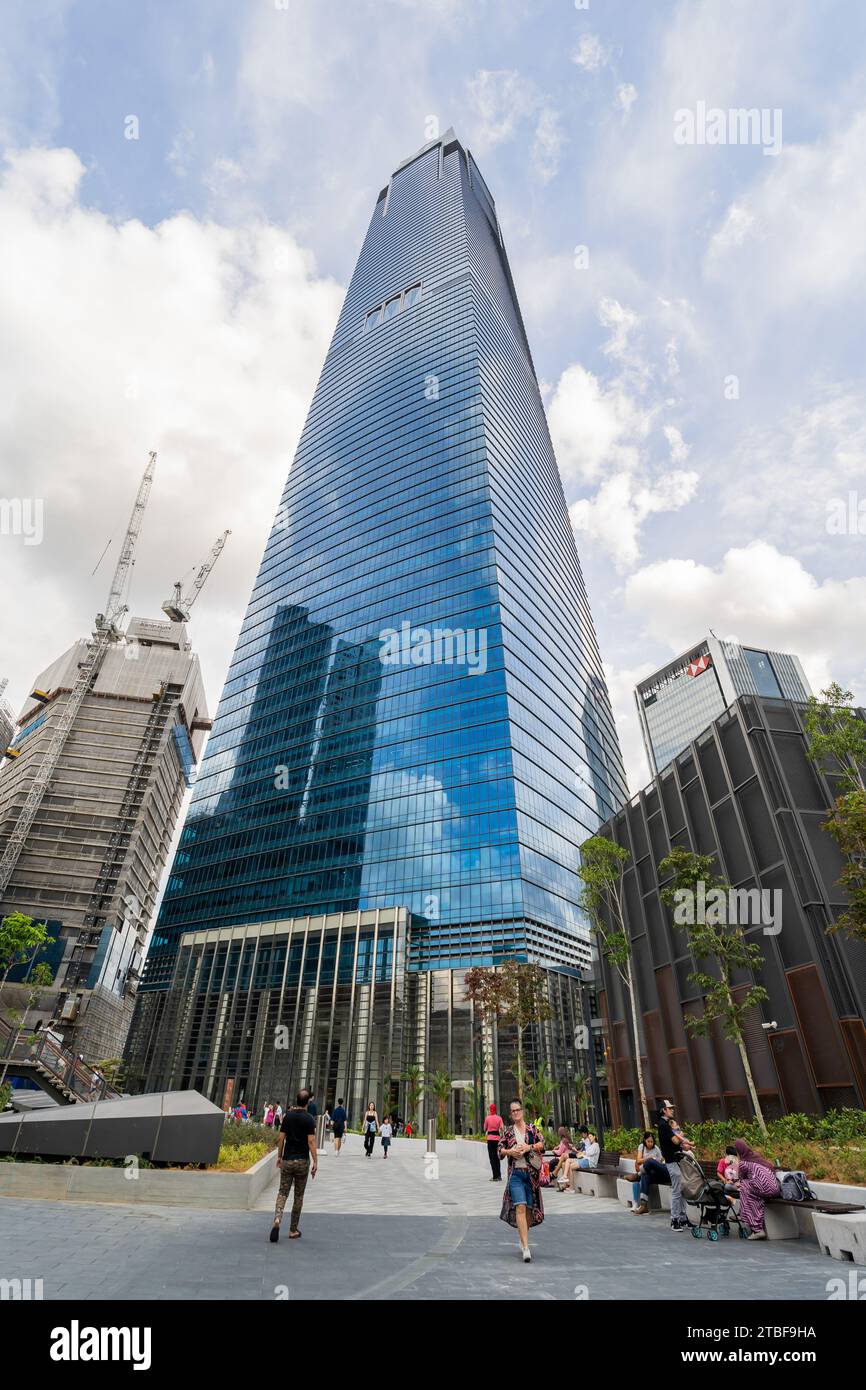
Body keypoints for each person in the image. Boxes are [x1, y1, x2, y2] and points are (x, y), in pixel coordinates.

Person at [633, 1099, 693, 1230]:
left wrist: (685, 1145)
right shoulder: (663, 1125)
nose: (672, 1110)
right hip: (672, 1162)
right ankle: (675, 1220)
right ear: (664, 1110)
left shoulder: (666, 1124)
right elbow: (675, 1141)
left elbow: (675, 1144)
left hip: (677, 1161)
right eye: (670, 1108)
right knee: (677, 1191)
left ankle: (682, 1218)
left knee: (681, 1190)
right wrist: (680, 1133)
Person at [498, 1098, 545, 1262]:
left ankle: (523, 1237)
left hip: (531, 1176)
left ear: (522, 1111)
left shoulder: (532, 1129)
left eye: (518, 1110)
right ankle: (526, 1247)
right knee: (520, 1207)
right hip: (516, 1175)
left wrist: (528, 1147)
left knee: (529, 1211)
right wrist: (510, 1151)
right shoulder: (508, 1132)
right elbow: (500, 1150)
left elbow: (542, 1143)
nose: (516, 1113)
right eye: (513, 1111)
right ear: (511, 1114)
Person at [269, 1088, 317, 1243]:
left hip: (288, 1160)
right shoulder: (309, 1119)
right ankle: (293, 1229)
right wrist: (316, 1161)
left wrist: (279, 1157)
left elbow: (281, 1138)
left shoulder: (288, 1116)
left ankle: (277, 1219)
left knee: (283, 1192)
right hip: (302, 1161)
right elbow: (311, 1142)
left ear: (297, 1100)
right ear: (308, 1102)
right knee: (298, 1196)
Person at [733, 1139, 781, 1239]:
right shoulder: (757, 1158)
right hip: (776, 1189)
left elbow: (741, 1178)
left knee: (744, 1186)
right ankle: (743, 1213)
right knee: (748, 1186)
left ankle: (757, 1229)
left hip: (765, 1190)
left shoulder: (744, 1163)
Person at [631, 1131, 658, 1207]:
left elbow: (661, 1160)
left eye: (652, 1141)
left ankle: (642, 1205)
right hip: (643, 1170)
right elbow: (638, 1160)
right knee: (636, 1183)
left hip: (652, 1172)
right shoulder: (641, 1147)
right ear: (644, 1140)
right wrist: (648, 1159)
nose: (650, 1143)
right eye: (648, 1141)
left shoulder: (656, 1148)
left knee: (641, 1178)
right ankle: (635, 1203)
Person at [483, 1103, 505, 1182]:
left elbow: (485, 1128)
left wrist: (488, 1127)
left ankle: (495, 1176)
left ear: (490, 1109)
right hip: (497, 1139)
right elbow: (502, 1128)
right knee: (497, 1157)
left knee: (492, 1158)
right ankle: (499, 1175)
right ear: (495, 1109)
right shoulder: (499, 1118)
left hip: (490, 1139)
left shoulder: (487, 1118)